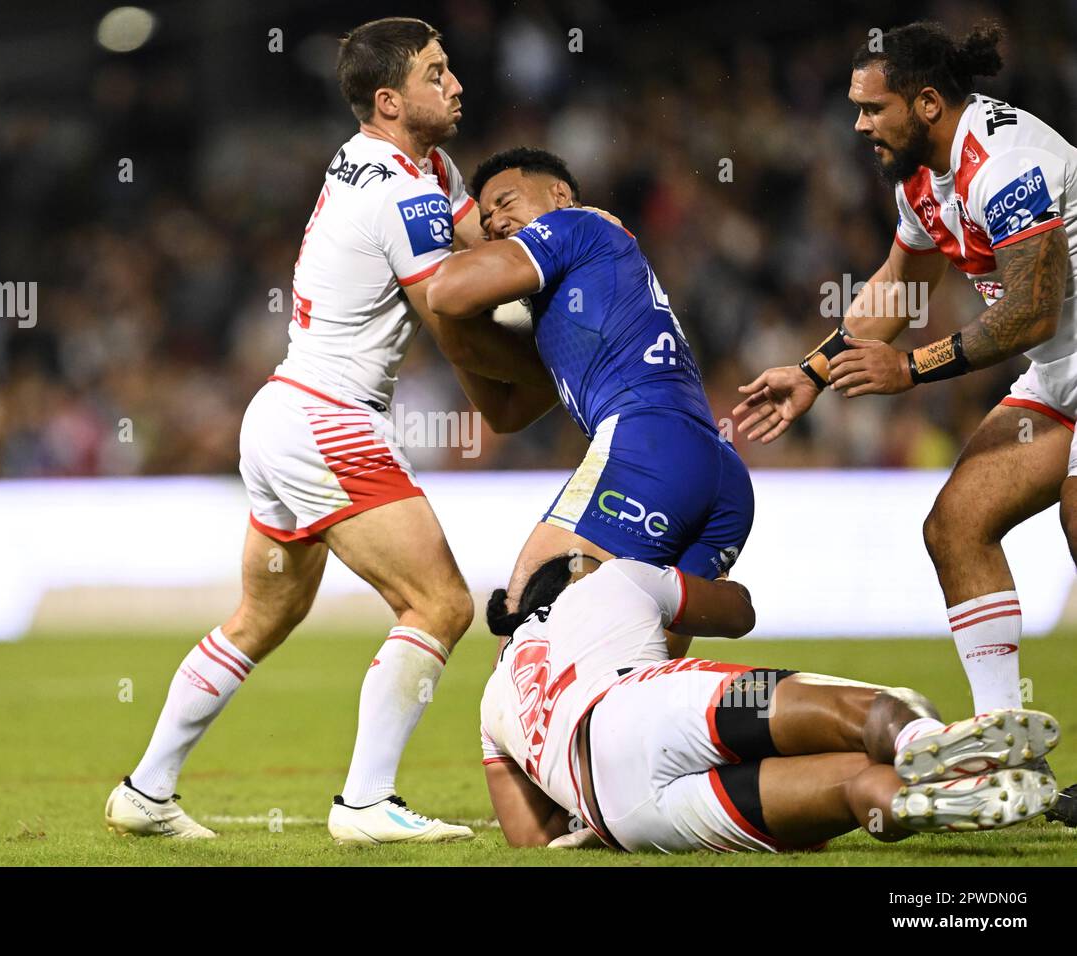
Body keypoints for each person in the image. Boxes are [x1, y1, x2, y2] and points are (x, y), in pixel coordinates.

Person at [106, 17, 544, 845]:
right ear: (389, 101)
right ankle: (366, 803)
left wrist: (544, 243)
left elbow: (475, 239)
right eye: (436, 73)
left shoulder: (421, 167)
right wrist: (554, 364)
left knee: (261, 618)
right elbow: (452, 322)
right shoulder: (399, 190)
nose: (456, 84)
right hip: (327, 421)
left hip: (285, 412)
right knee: (440, 603)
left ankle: (146, 789)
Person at [730, 19, 1077, 825]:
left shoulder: (1005, 161)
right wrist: (813, 372)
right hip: (1062, 375)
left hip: (1058, 350)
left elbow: (1031, 309)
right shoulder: (922, 181)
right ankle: (1004, 752)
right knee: (957, 526)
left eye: (871, 108)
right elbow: (898, 283)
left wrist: (911, 368)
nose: (858, 124)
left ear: (926, 103)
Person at [480, 554, 1061, 852]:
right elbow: (738, 614)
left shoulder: (494, 695)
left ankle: (912, 802)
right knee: (875, 712)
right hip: (642, 700)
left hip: (621, 816)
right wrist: (708, 571)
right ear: (576, 575)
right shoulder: (612, 579)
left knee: (854, 787)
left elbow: (530, 836)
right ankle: (923, 741)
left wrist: (584, 817)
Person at [425, 148, 755, 649]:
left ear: (559, 194)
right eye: (486, 222)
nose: (495, 224)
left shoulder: (573, 224)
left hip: (646, 447)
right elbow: (506, 413)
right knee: (641, 675)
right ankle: (729, 611)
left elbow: (445, 292)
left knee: (529, 637)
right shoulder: (578, 301)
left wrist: (429, 251)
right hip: (717, 473)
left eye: (505, 203)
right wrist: (465, 335)